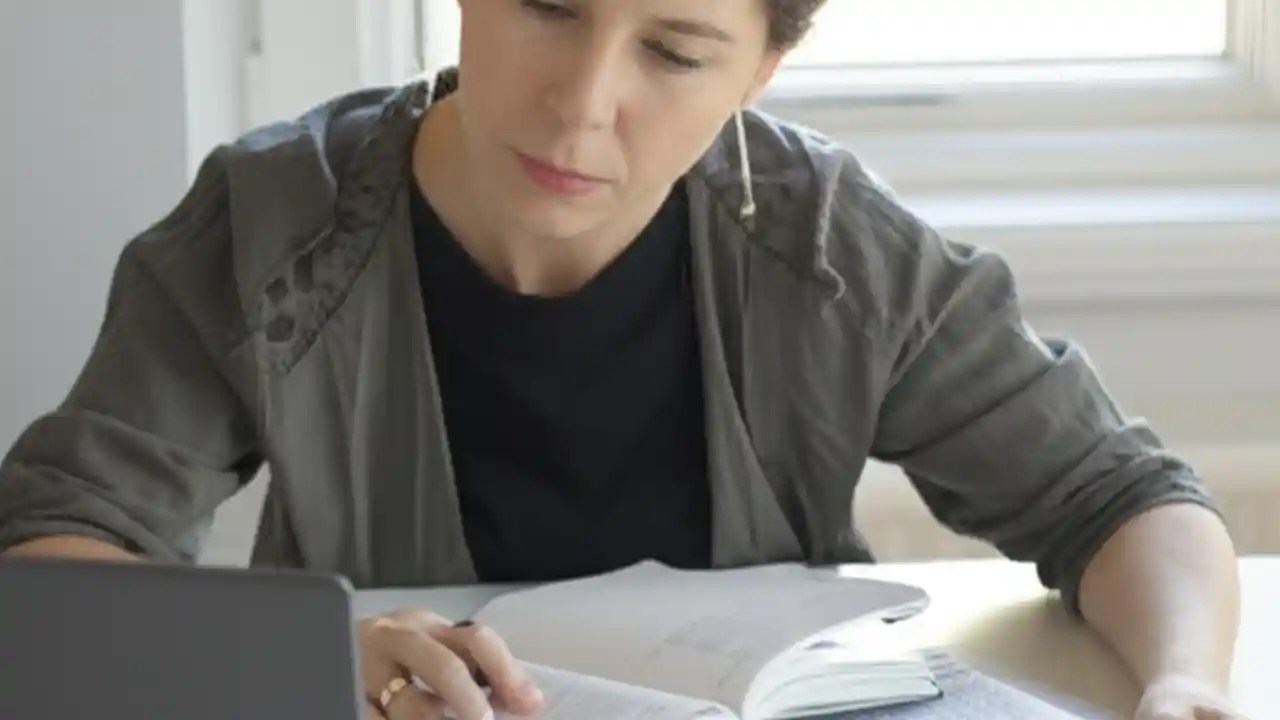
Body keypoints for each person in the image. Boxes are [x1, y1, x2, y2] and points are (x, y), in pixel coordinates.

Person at [0, 1, 1243, 719]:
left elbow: (1115, 496)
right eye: (548, 1)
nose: (581, 102)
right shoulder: (266, 226)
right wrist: (325, 667)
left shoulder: (831, 250)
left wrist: (1181, 684)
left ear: (760, 68)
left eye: (674, 50)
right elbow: (56, 560)